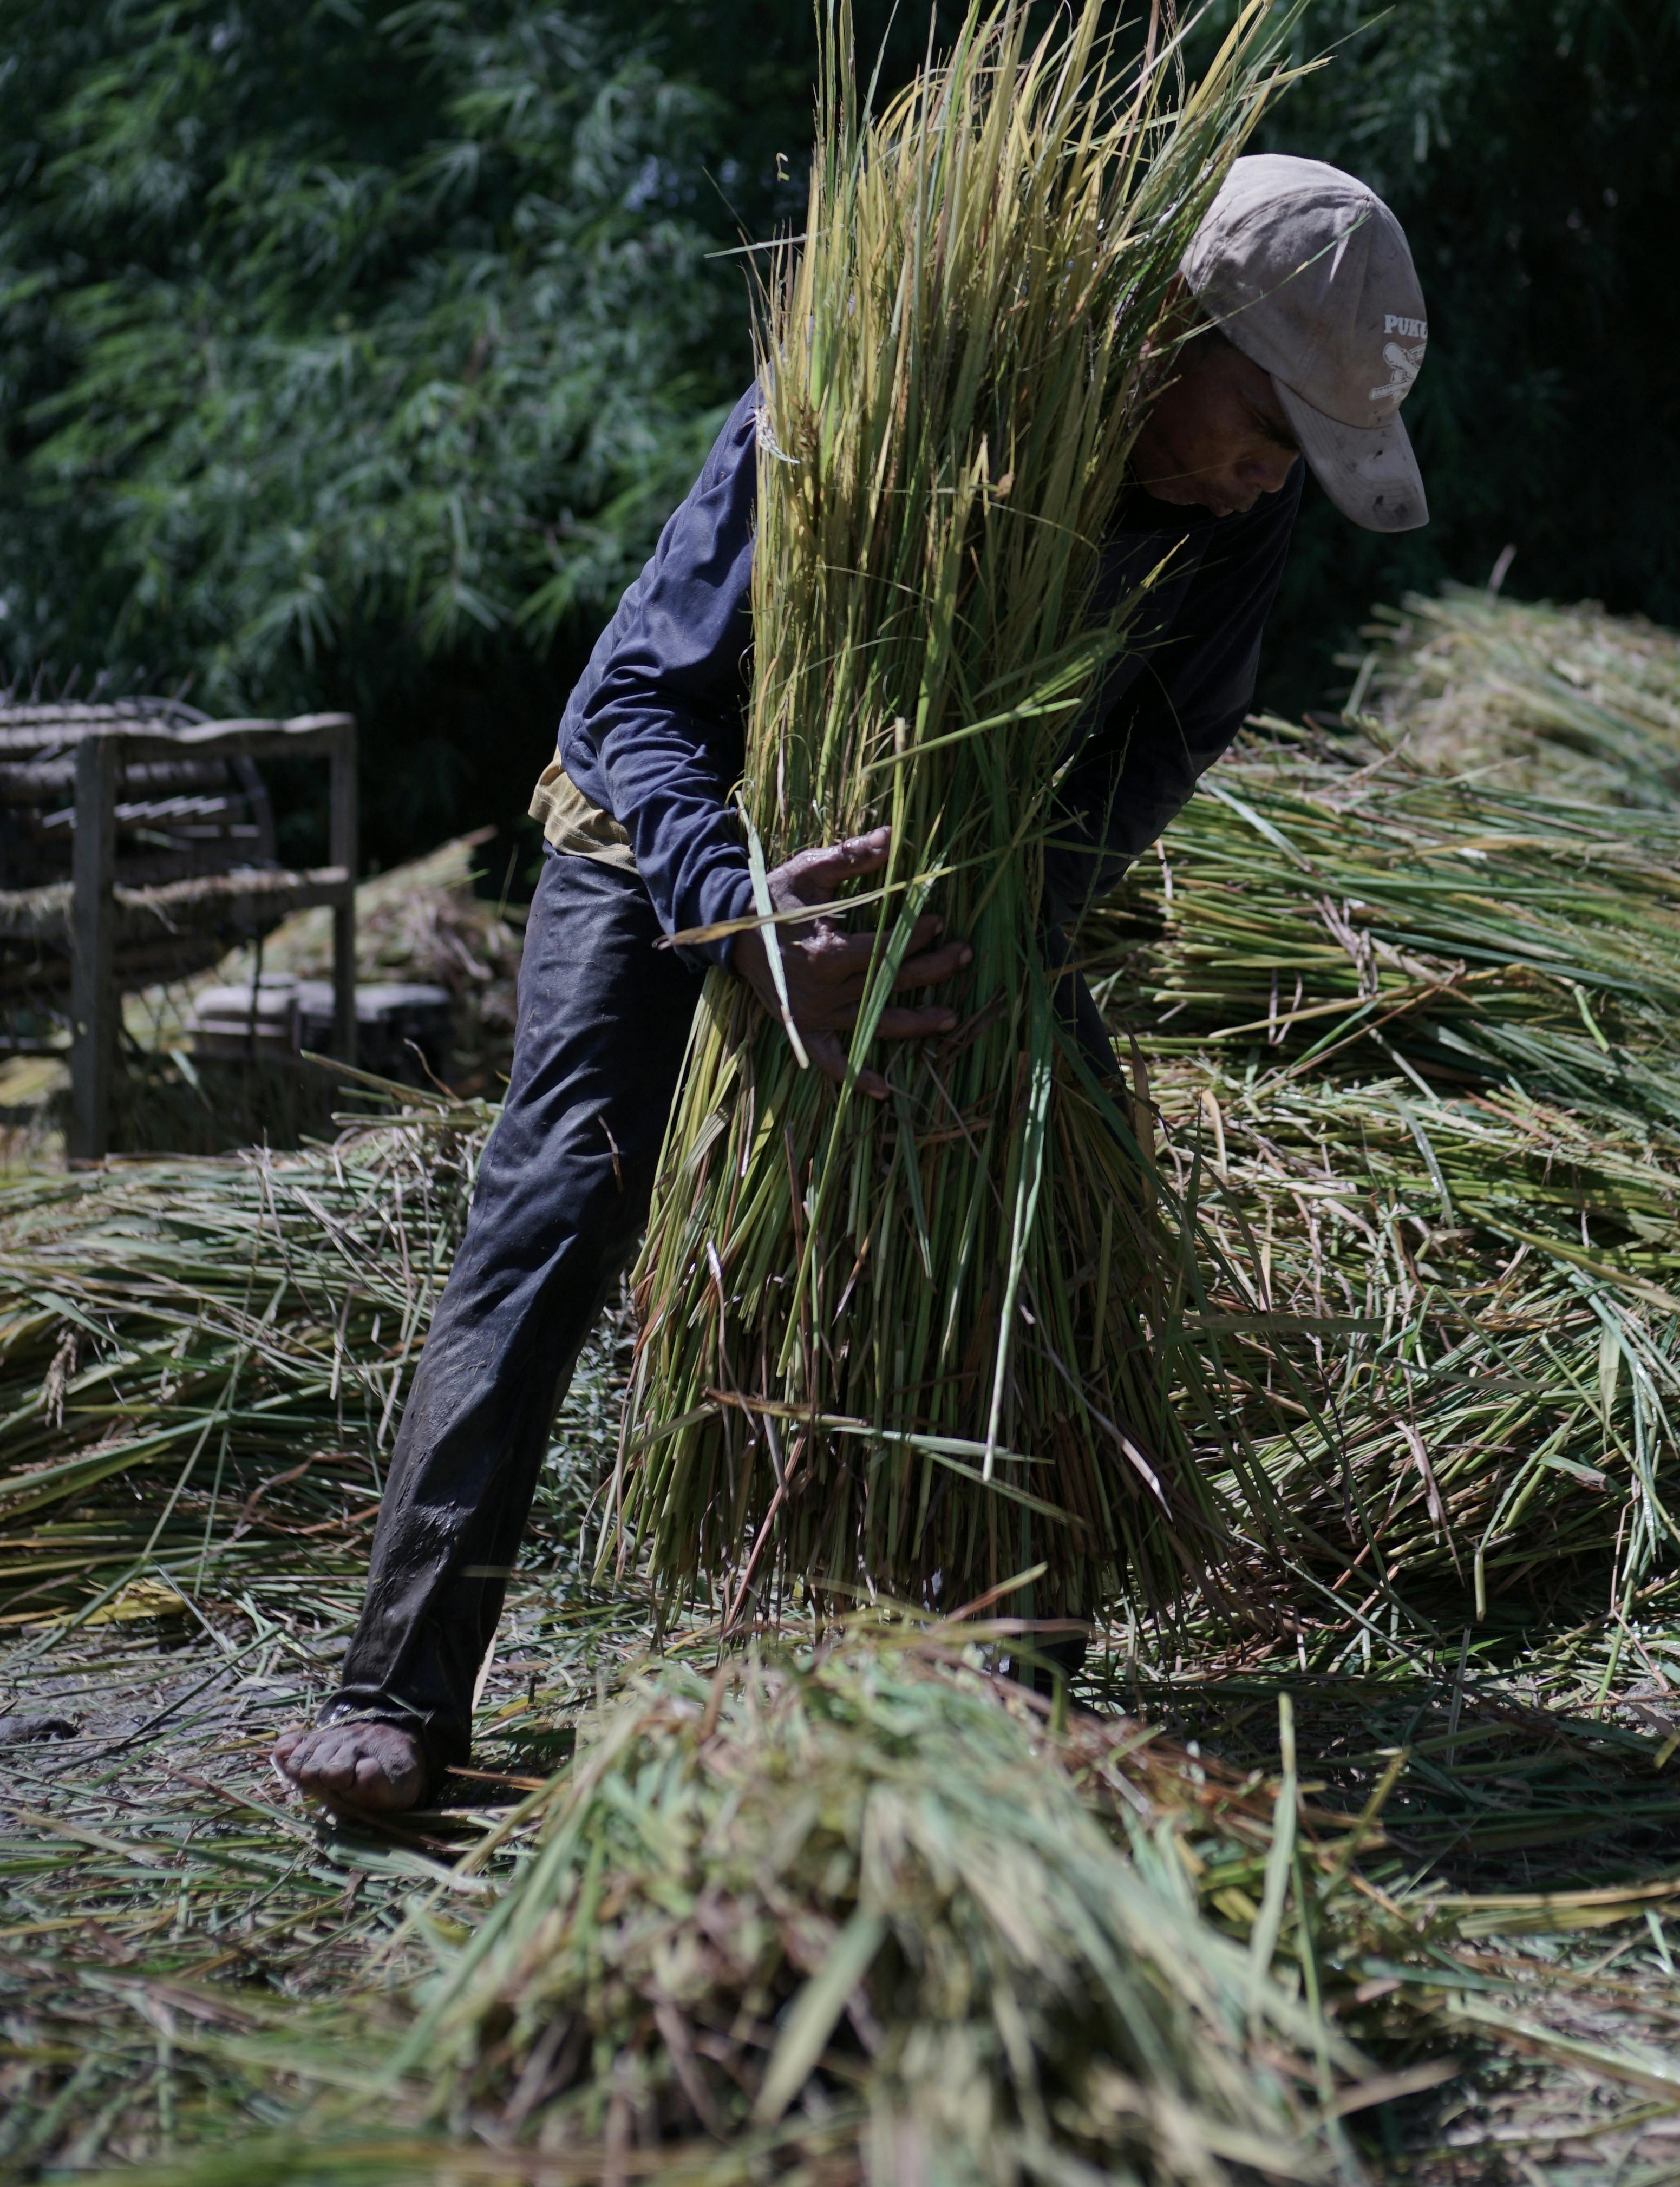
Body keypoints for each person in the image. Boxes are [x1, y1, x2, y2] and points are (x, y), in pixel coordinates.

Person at [273, 152, 1430, 1813]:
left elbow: (1166, 739)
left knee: (1057, 1180)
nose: (1275, 480)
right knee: (560, 1196)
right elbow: (632, 704)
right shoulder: (897, 383)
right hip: (678, 841)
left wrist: (1007, 916)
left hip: (946, 888)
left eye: (1310, 455)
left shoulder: (1235, 516)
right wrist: (743, 922)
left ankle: (1016, 1685)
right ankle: (397, 1690)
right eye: (1269, 428)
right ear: (1178, 335)